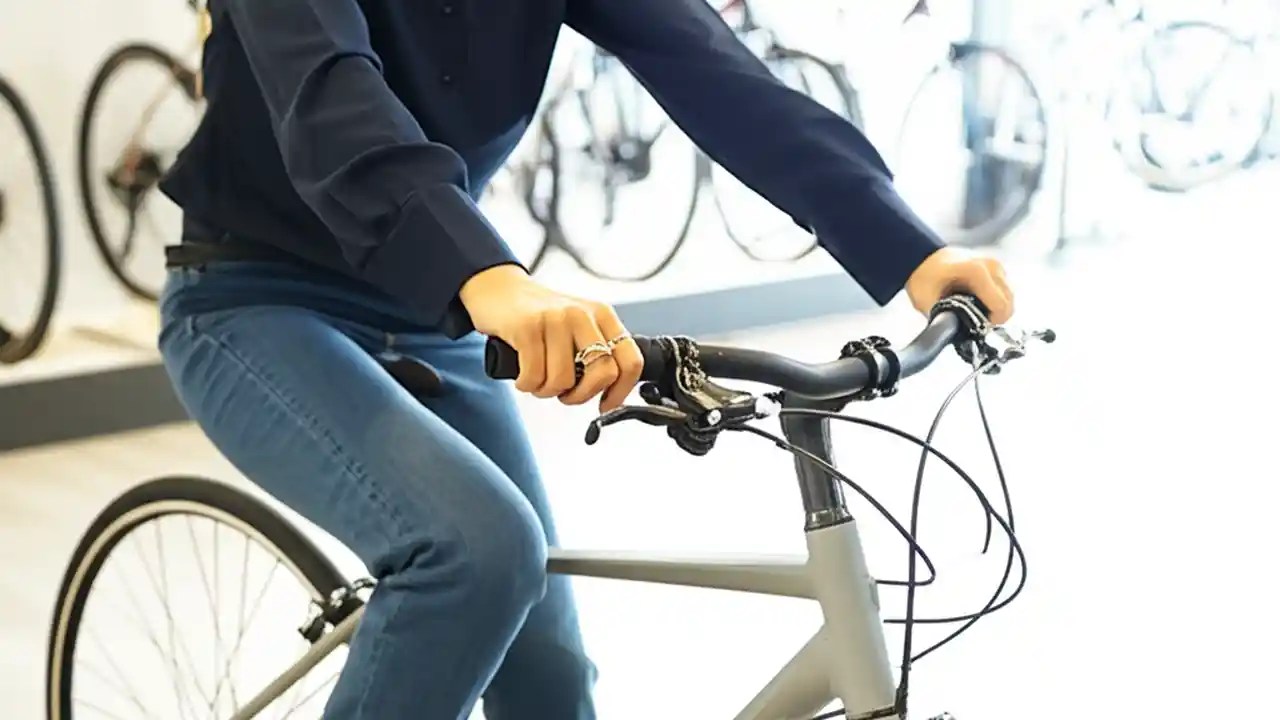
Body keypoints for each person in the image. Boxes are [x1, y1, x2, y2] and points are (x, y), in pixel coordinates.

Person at [156, 1, 1015, 718]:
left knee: (550, 682)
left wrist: (911, 250)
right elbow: (329, 92)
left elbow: (712, 68)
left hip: (427, 313)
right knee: (476, 555)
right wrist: (485, 275)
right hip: (251, 293)